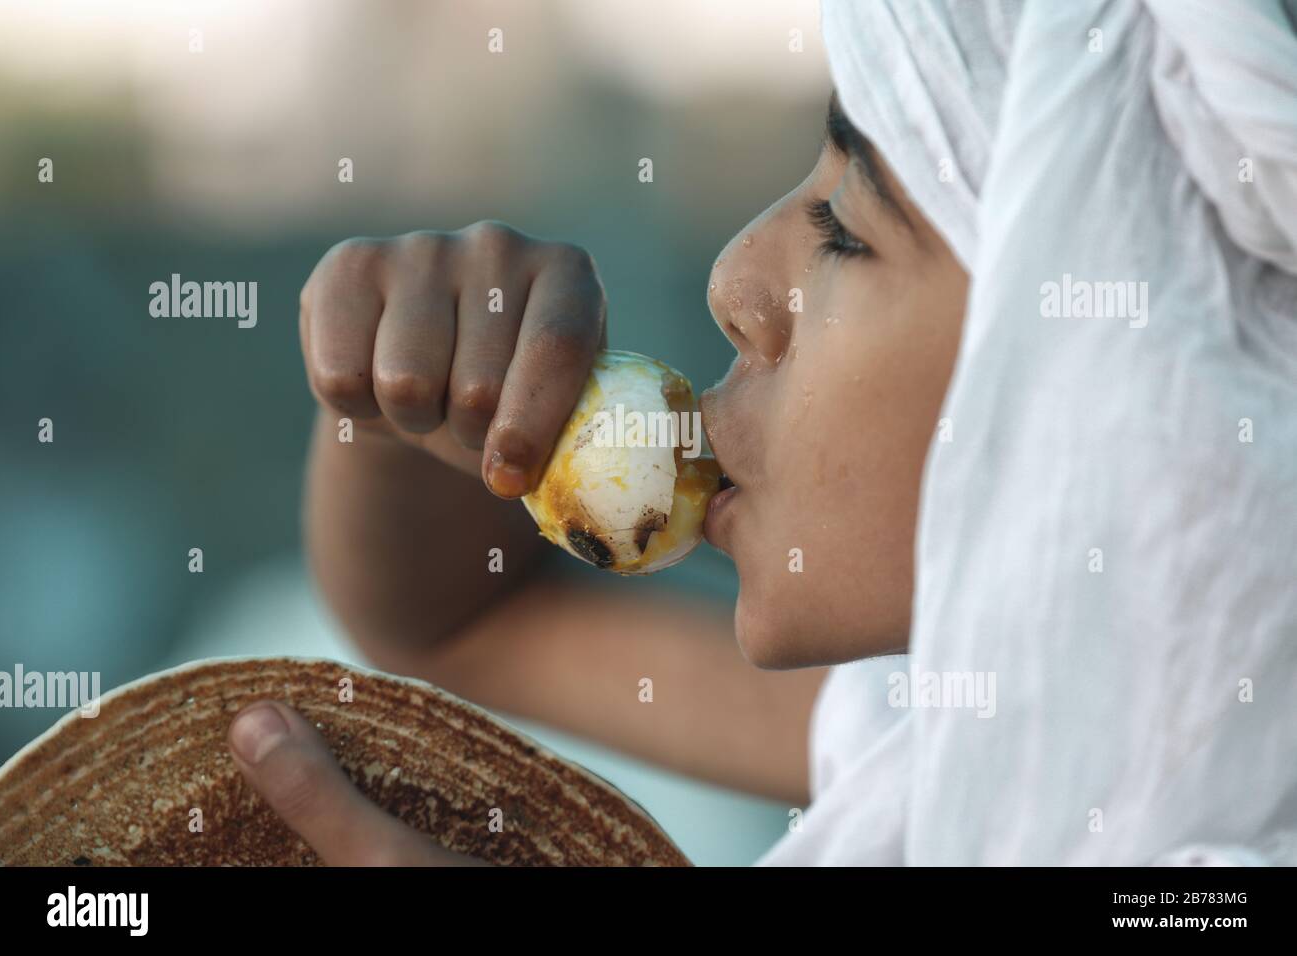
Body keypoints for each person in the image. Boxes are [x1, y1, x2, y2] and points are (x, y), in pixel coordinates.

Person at [227, 0, 1297, 866]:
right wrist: (402, 405)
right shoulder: (959, 731)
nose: (735, 279)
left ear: (1104, 396)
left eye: (845, 229)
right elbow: (459, 626)